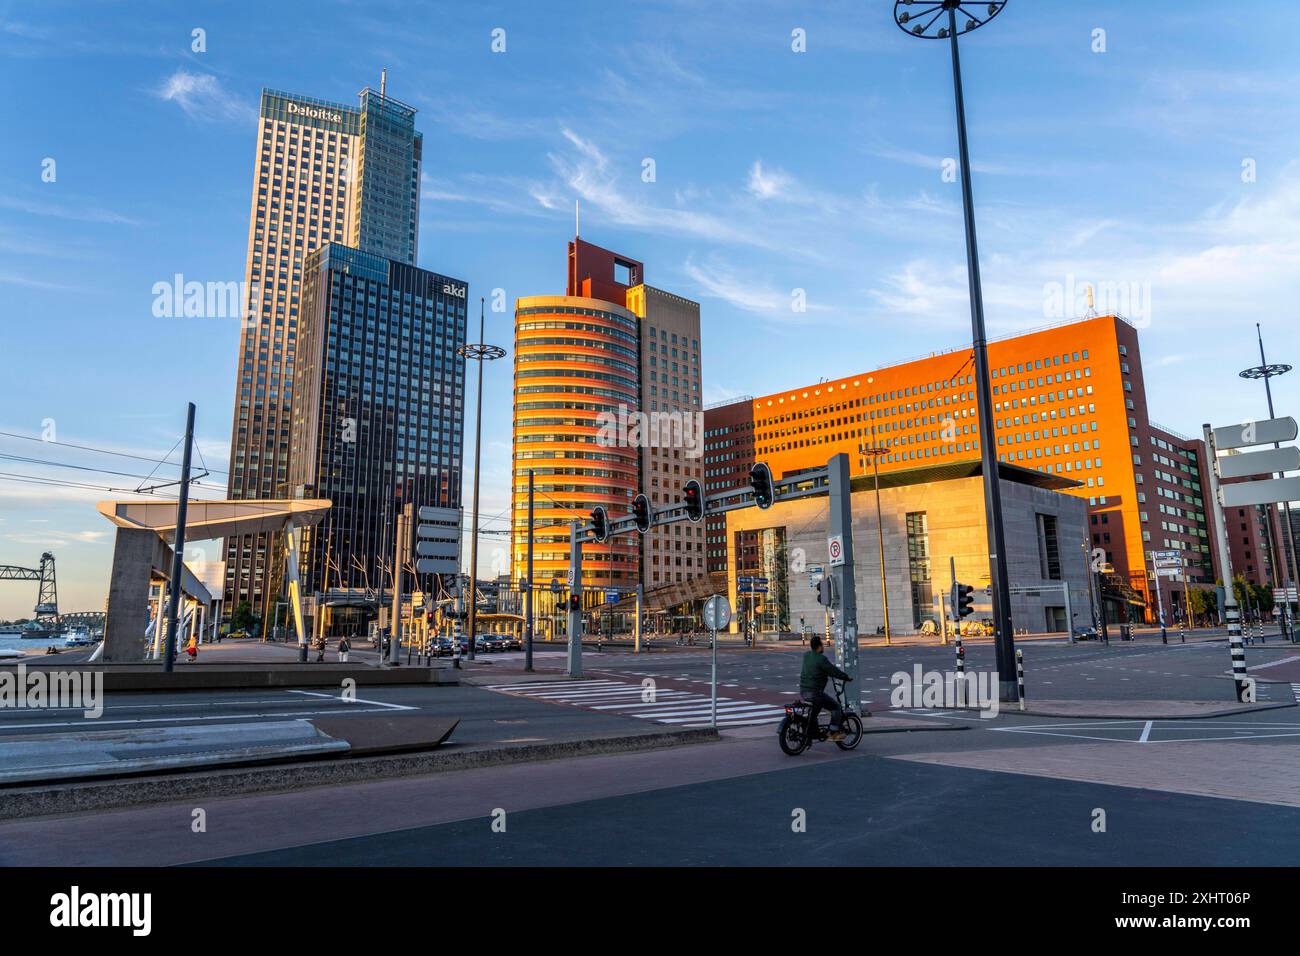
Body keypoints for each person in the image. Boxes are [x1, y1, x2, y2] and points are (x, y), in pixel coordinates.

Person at [799, 635, 851, 740]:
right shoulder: (821, 659)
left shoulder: (806, 655)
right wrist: (846, 677)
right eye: (822, 645)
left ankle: (813, 731)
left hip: (803, 691)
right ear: (819, 646)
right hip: (815, 692)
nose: (823, 647)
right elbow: (833, 671)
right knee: (836, 707)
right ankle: (833, 733)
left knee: (815, 711)